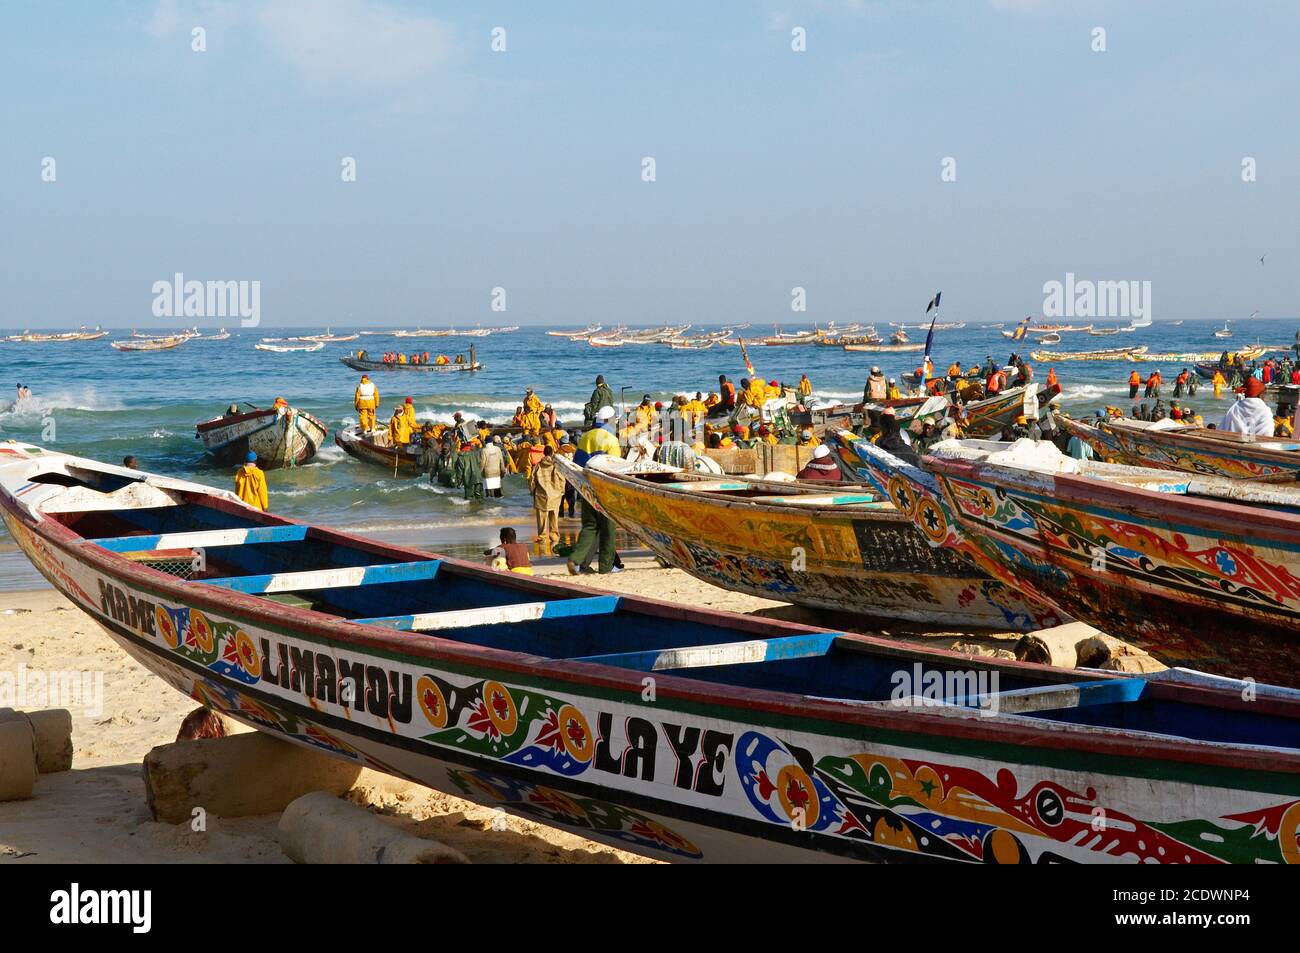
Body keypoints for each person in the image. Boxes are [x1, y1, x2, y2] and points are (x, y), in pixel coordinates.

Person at [569, 406, 622, 575]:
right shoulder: (611, 440)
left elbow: (577, 463)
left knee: (590, 526)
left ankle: (576, 559)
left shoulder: (586, 437)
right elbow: (614, 469)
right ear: (608, 421)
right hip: (605, 490)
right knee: (608, 529)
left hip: (586, 487)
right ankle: (606, 567)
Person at [528, 445, 566, 543]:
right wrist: (562, 491)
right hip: (555, 495)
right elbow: (562, 479)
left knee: (542, 518)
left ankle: (542, 537)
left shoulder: (538, 466)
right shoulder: (556, 466)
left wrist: (532, 491)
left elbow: (532, 481)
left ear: (543, 453)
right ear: (552, 453)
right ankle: (554, 537)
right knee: (554, 518)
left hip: (541, 495)